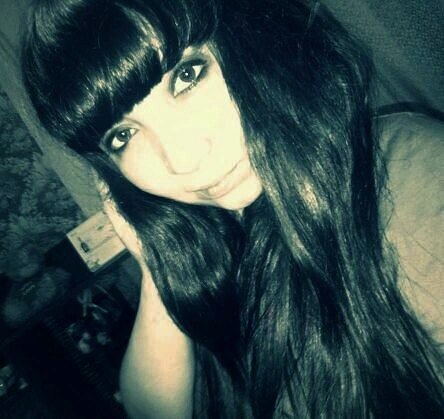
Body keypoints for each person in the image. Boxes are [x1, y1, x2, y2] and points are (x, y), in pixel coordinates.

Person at [21, 0, 443, 417]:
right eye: (123, 135)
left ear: (246, 38)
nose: (182, 160)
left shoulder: (399, 176)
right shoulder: (224, 235)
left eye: (187, 76)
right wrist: (156, 264)